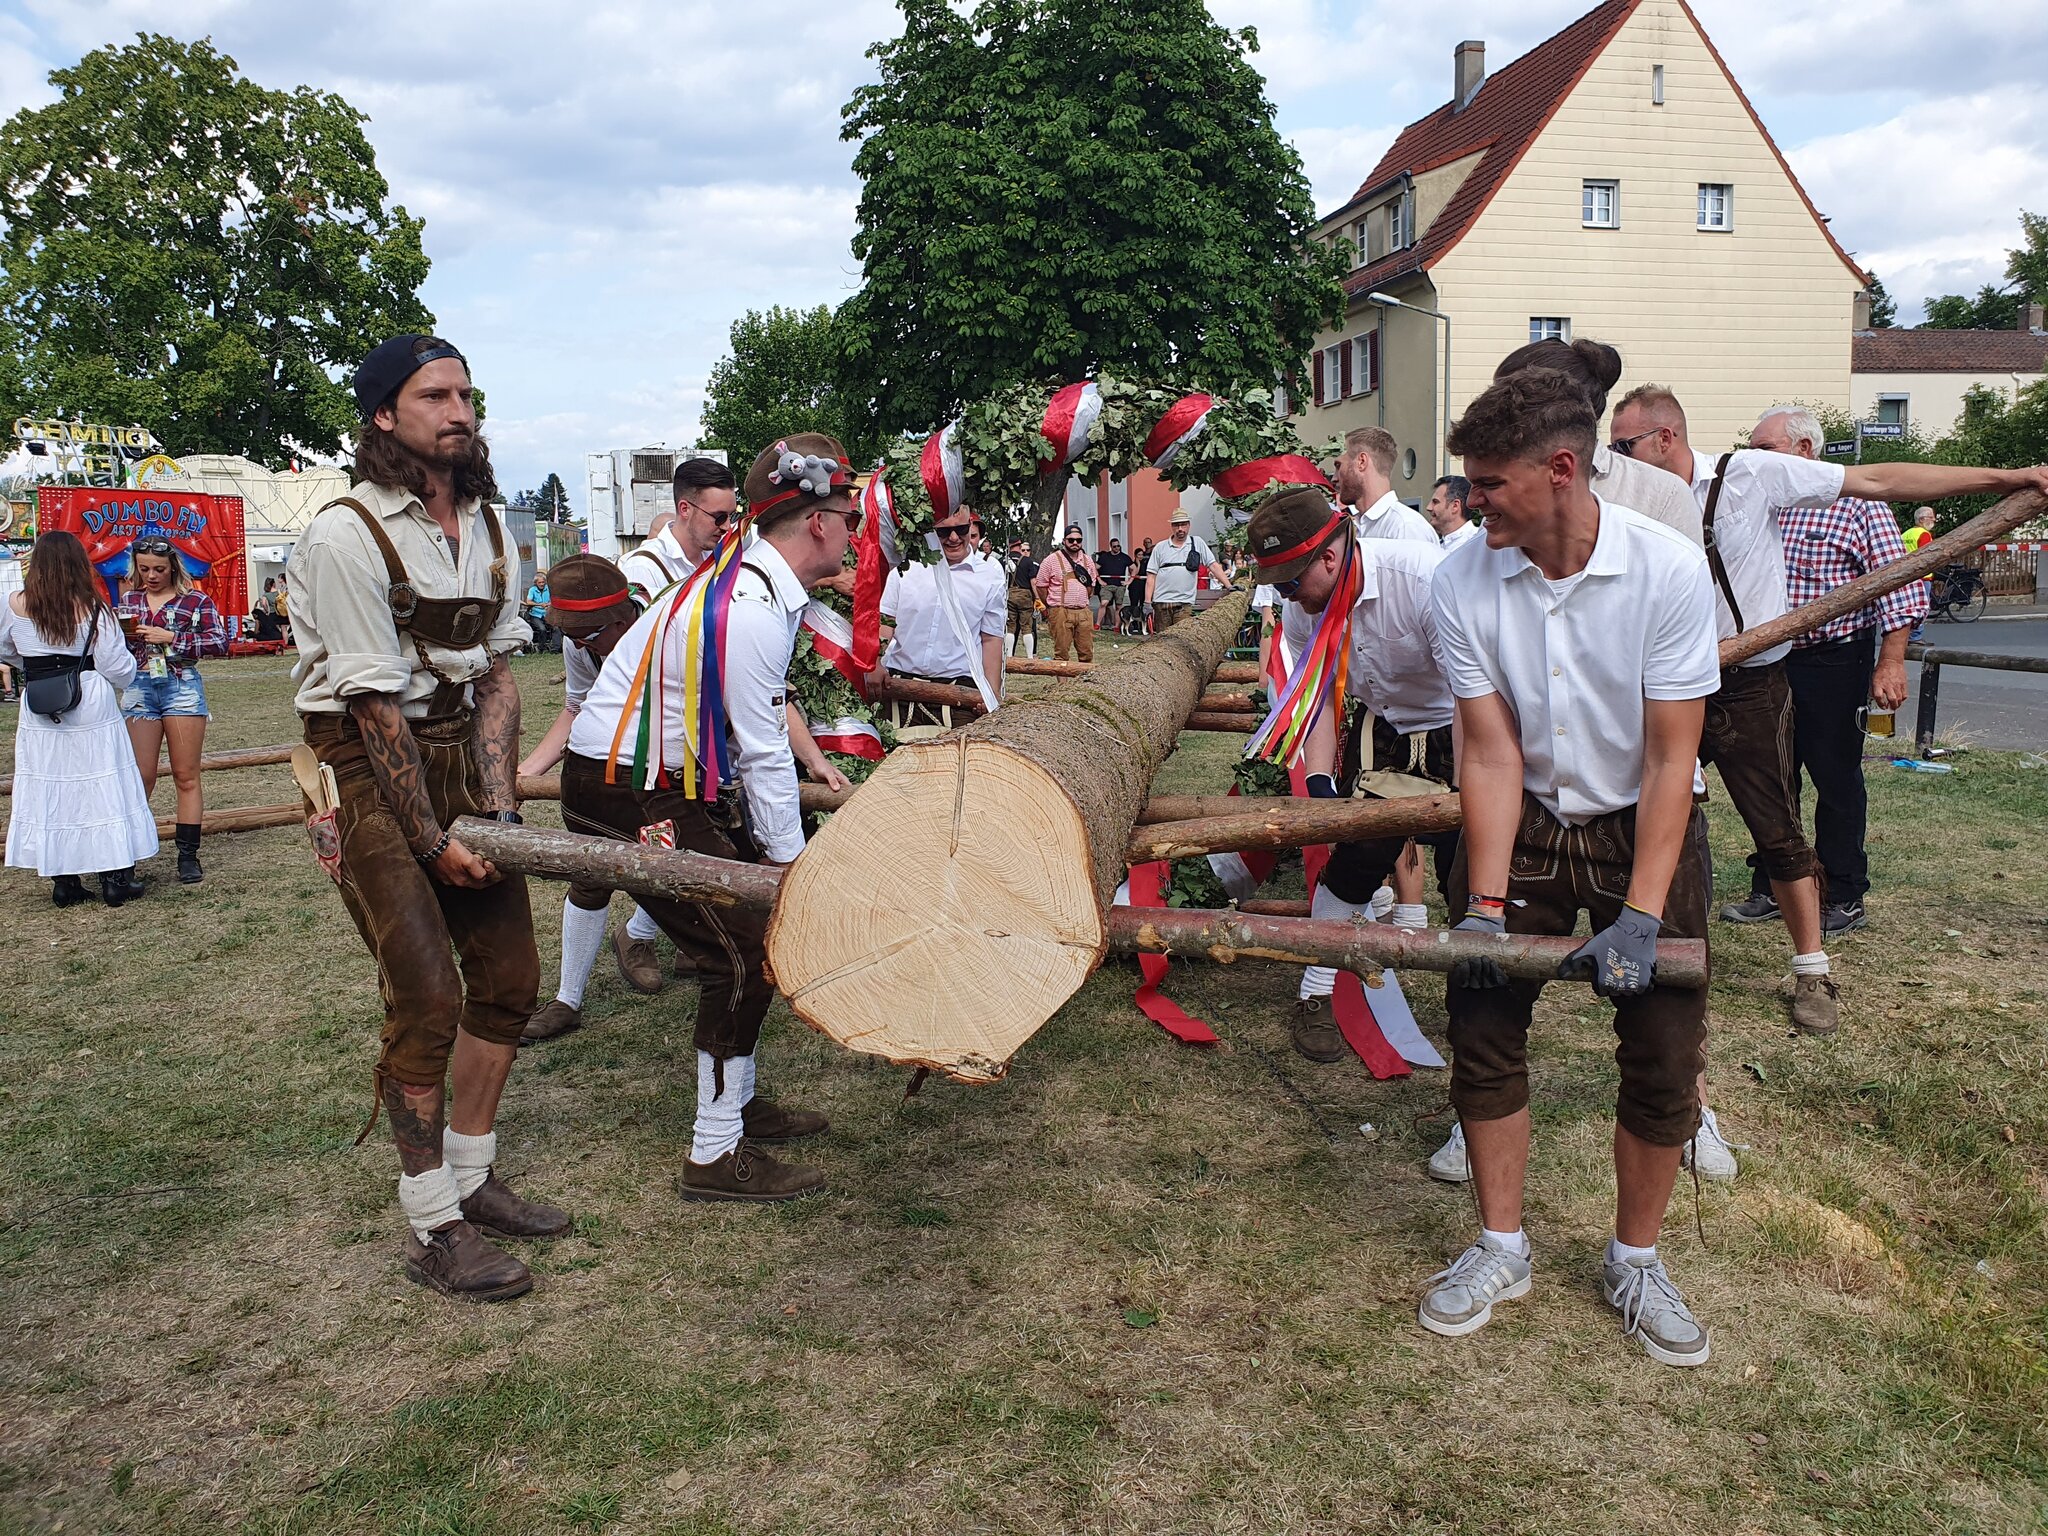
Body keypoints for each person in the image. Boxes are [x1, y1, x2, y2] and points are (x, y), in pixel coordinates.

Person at [1425, 366, 1722, 1368]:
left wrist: (1641, 915)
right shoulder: (1456, 576)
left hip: (1642, 820)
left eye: (1486, 485)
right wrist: (1485, 904)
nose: (1468, 503)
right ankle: (1499, 1245)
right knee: (1479, 1021)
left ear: (1559, 470)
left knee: (1661, 1049)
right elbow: (1491, 752)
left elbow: (1669, 756)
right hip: (1527, 818)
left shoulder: (1667, 572)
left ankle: (1632, 1259)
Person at [293, 334, 563, 1303]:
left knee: (510, 983)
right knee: (425, 1001)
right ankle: (432, 1225)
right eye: (435, 394)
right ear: (382, 415)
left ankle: (473, 1171)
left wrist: (493, 813)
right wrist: (431, 839)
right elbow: (371, 710)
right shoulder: (343, 534)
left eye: (465, 393)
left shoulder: (490, 526)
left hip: (459, 764)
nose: (460, 410)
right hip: (368, 772)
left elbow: (495, 679)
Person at [1611, 385, 2048, 939]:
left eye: (1622, 447)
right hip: (1678, 677)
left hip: (1777, 671)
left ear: (1665, 437)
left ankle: (1828, 918)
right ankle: (1652, 917)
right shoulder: (1632, 497)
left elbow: (1882, 483)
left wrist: (2008, 479)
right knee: (1652, 792)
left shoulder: (1749, 475)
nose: (1614, 462)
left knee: (1808, 795)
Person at [566, 433, 851, 1202]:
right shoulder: (753, 604)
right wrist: (786, 873)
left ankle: (739, 1106)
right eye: (848, 517)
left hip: (653, 781)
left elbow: (755, 738)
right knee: (740, 946)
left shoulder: (750, 583)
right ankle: (713, 1155)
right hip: (623, 789)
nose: (856, 533)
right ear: (818, 523)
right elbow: (763, 757)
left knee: (747, 940)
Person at [1243, 488, 1456, 1062]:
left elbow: (1476, 692)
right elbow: (1315, 699)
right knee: (1353, 864)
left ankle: (1475, 991)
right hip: (1380, 726)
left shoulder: (1426, 578)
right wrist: (1319, 786)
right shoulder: (1302, 606)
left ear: (1329, 560)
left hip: (1458, 726)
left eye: (1291, 582)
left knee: (1466, 866)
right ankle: (1316, 992)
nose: (1287, 597)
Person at [1723, 408, 1929, 937]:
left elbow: (1900, 583)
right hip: (1767, 662)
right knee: (1773, 775)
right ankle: (1775, 885)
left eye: (1764, 448)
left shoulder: (1856, 504)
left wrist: (1890, 660)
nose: (1752, 457)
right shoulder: (1757, 502)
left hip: (1834, 660)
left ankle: (1842, 890)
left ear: (1805, 451)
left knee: (1835, 777)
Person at [515, 554, 646, 1043]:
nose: (577, 645)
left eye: (587, 635)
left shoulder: (662, 632)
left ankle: (641, 937)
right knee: (590, 875)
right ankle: (568, 998)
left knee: (669, 864)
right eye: (571, 635)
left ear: (619, 621)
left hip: (669, 770)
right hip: (601, 770)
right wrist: (527, 772)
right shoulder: (582, 642)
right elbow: (577, 706)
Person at [2, 531, 157, 906]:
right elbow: (117, 668)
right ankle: (114, 877)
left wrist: (36, 663)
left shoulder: (14, 604)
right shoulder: (93, 608)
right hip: (89, 699)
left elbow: (7, 648)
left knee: (53, 786)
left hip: (41, 701)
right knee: (102, 785)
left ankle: (64, 880)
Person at [1495, 339, 1700, 546]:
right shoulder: (1496, 487)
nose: (1494, 414)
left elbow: (1687, 575)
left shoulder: (1662, 494)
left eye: (1511, 402)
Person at [118, 536, 229, 886]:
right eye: (144, 568)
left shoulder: (195, 600)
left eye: (159, 569)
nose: (151, 575)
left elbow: (221, 642)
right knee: (141, 776)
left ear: (173, 568)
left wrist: (172, 639)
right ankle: (126, 855)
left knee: (186, 774)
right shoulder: (128, 601)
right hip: (139, 686)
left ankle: (187, 855)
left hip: (181, 686)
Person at [873, 504, 1006, 733]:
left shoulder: (990, 576)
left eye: (962, 529)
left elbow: (991, 638)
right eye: (944, 531)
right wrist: (873, 664)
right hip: (897, 684)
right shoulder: (906, 566)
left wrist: (991, 692)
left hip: (960, 691)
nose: (954, 538)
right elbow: (886, 622)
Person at [621, 457, 733, 606]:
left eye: (732, 515)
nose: (727, 526)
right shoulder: (644, 568)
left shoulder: (720, 557)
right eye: (719, 517)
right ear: (685, 509)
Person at [1333, 427, 1438, 544]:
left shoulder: (1405, 528)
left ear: (1361, 462)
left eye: (1338, 466)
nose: (1334, 478)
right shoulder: (1355, 527)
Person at [1141, 509, 1229, 631]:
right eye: (1177, 525)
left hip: (1184, 603)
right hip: (1161, 602)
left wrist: (1229, 586)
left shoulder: (1197, 543)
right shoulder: (1160, 547)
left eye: (1183, 524)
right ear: (1172, 526)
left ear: (1188, 525)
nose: (1180, 529)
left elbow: (1213, 565)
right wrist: (1147, 602)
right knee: (1162, 642)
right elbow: (1151, 576)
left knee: (1181, 641)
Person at [1035, 524, 1099, 660]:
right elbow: (1040, 586)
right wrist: (1052, 606)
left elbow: (1091, 584)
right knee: (1061, 653)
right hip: (1060, 612)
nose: (1075, 543)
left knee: (1087, 653)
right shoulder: (1051, 560)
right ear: (1064, 541)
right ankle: (1063, 682)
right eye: (1071, 540)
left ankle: (1083, 681)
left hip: (1083, 612)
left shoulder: (1088, 561)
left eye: (1078, 540)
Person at [1004, 536, 1040, 658]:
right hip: (1025, 595)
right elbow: (1033, 582)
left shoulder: (1002, 560)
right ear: (1019, 547)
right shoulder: (1028, 561)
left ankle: (1009, 656)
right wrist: (1037, 598)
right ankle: (1030, 656)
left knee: (1010, 626)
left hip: (1009, 594)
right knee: (1027, 627)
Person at [1425, 474, 1479, 551]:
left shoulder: (1475, 544)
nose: (1428, 507)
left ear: (1455, 506)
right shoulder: (1436, 544)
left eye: (1435, 502)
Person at [1095, 538, 1134, 629]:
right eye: (1115, 546)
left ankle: (1116, 626)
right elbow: (1094, 568)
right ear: (1111, 547)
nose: (1117, 548)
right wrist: (1099, 580)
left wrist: (1129, 581)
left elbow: (1134, 568)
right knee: (1103, 603)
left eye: (1118, 546)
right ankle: (1097, 624)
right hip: (1107, 585)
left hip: (1120, 585)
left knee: (1118, 606)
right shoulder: (1105, 557)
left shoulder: (1125, 557)